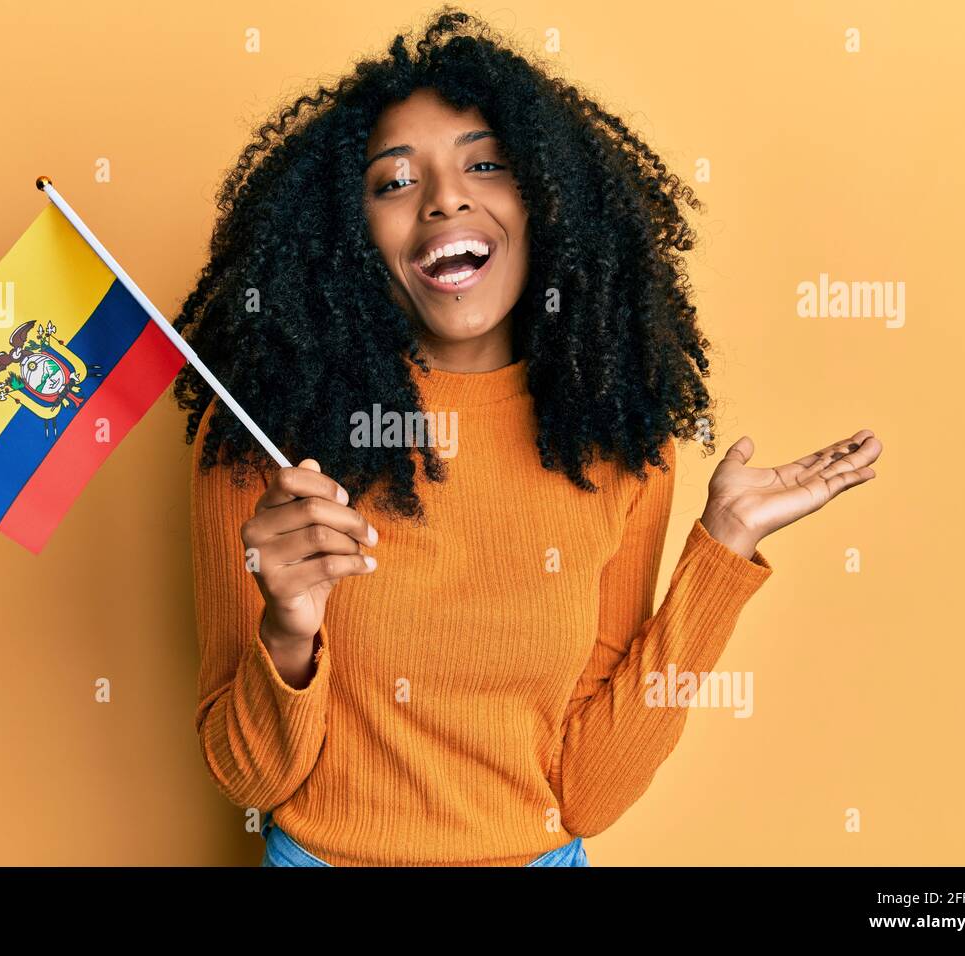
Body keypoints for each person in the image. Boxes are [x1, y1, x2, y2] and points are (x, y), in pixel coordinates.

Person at [173, 9, 881, 867]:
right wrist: (288, 630)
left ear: (547, 196)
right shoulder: (264, 438)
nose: (444, 197)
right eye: (394, 181)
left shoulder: (617, 440)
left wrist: (722, 552)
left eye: (484, 165)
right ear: (346, 233)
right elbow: (247, 780)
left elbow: (588, 791)